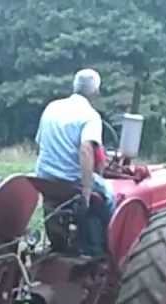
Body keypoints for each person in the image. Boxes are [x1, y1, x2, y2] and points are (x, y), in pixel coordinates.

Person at [34, 69, 114, 257]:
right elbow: (86, 150)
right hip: (71, 181)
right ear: (95, 92)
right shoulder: (90, 115)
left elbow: (39, 144)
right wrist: (86, 193)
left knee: (54, 198)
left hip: (44, 178)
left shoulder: (52, 107)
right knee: (110, 195)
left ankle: (59, 243)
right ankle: (104, 249)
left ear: (74, 87)